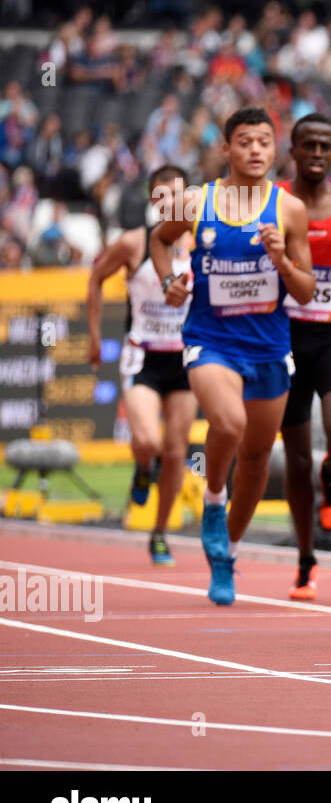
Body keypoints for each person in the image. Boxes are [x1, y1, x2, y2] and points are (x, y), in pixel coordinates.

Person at [151, 107, 315, 605]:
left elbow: (305, 292)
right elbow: (159, 243)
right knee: (227, 424)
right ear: (226, 149)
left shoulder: (288, 211)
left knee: (258, 458)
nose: (256, 150)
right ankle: (213, 499)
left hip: (268, 346)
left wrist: (282, 259)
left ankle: (227, 556)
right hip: (210, 341)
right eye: (244, 141)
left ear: (275, 148)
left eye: (265, 141)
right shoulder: (195, 202)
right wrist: (168, 282)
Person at [87, 165, 198, 565]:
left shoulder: (199, 238)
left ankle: (160, 532)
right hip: (143, 357)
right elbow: (96, 278)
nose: (172, 203)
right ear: (153, 199)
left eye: (178, 195)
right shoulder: (133, 243)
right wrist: (96, 334)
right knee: (150, 442)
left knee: (175, 451)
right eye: (163, 195)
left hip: (185, 358)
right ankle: (140, 467)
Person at [276, 113, 331, 600]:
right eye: (307, 145)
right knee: (293, 459)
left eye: (324, 145)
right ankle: (306, 561)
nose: (315, 153)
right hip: (282, 337)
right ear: (293, 149)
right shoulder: (274, 203)